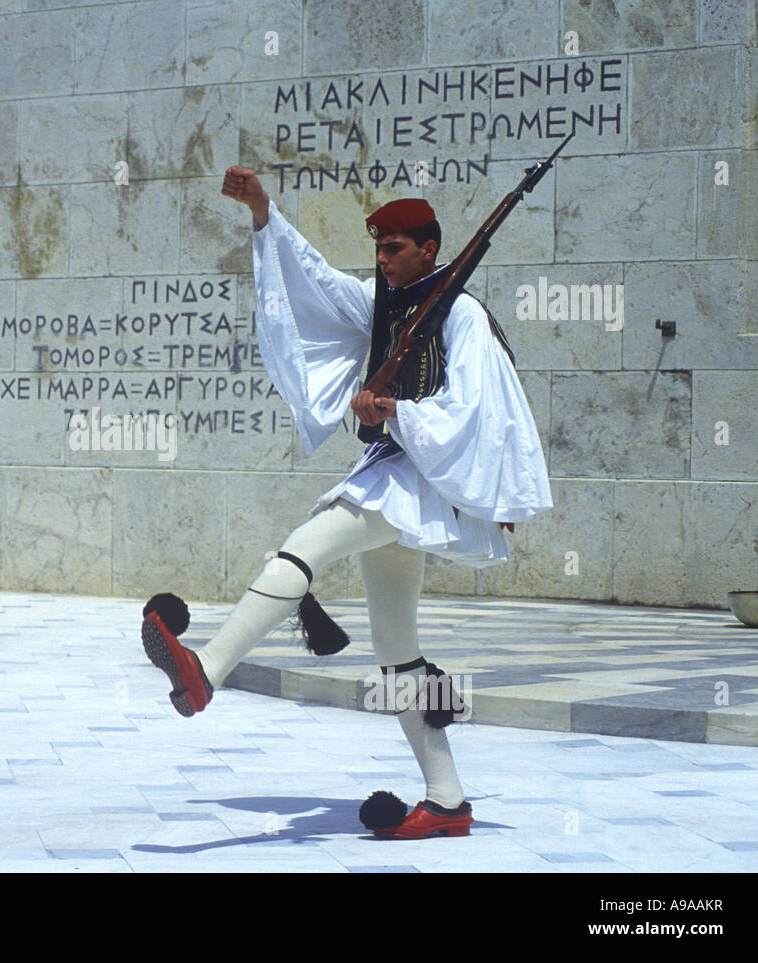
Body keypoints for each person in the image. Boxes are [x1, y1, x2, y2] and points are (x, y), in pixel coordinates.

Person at [141, 166, 552, 839]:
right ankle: (447, 799)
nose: (383, 259)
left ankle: (207, 669)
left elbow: (478, 408)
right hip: (392, 470)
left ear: (429, 247)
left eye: (395, 247)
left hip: (417, 478)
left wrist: (396, 412)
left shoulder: (464, 312)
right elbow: (316, 284)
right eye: (379, 248)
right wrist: (264, 214)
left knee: (308, 543)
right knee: (396, 652)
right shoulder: (385, 302)